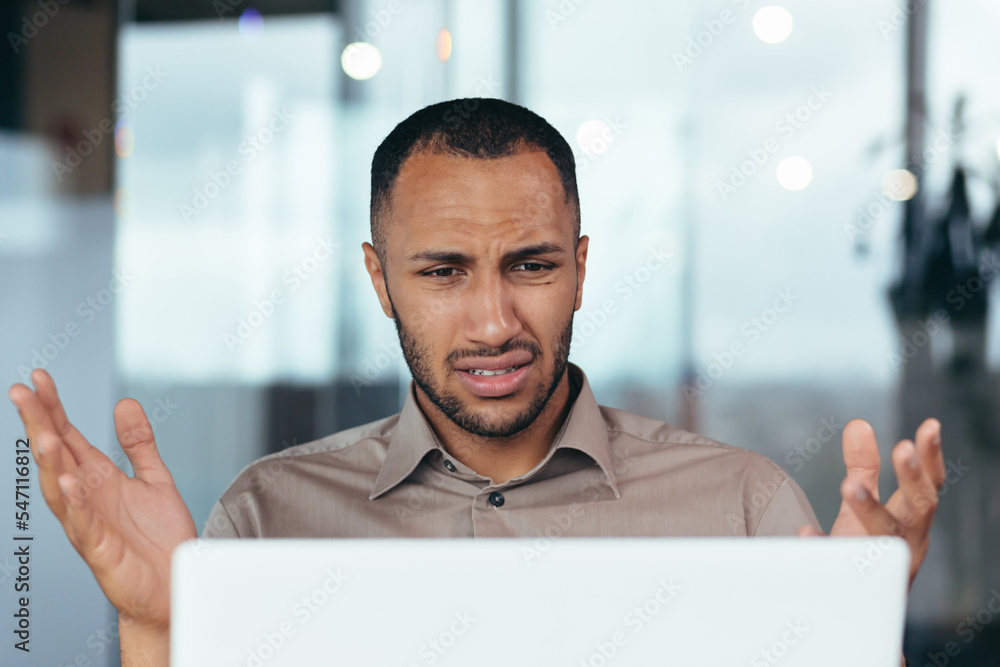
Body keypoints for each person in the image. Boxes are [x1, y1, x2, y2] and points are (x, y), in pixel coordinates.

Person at [9, 98, 943, 667]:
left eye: (531, 266)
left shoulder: (744, 506)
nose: (494, 321)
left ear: (580, 268)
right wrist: (156, 623)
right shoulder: (266, 515)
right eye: (444, 271)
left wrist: (856, 622)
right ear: (380, 281)